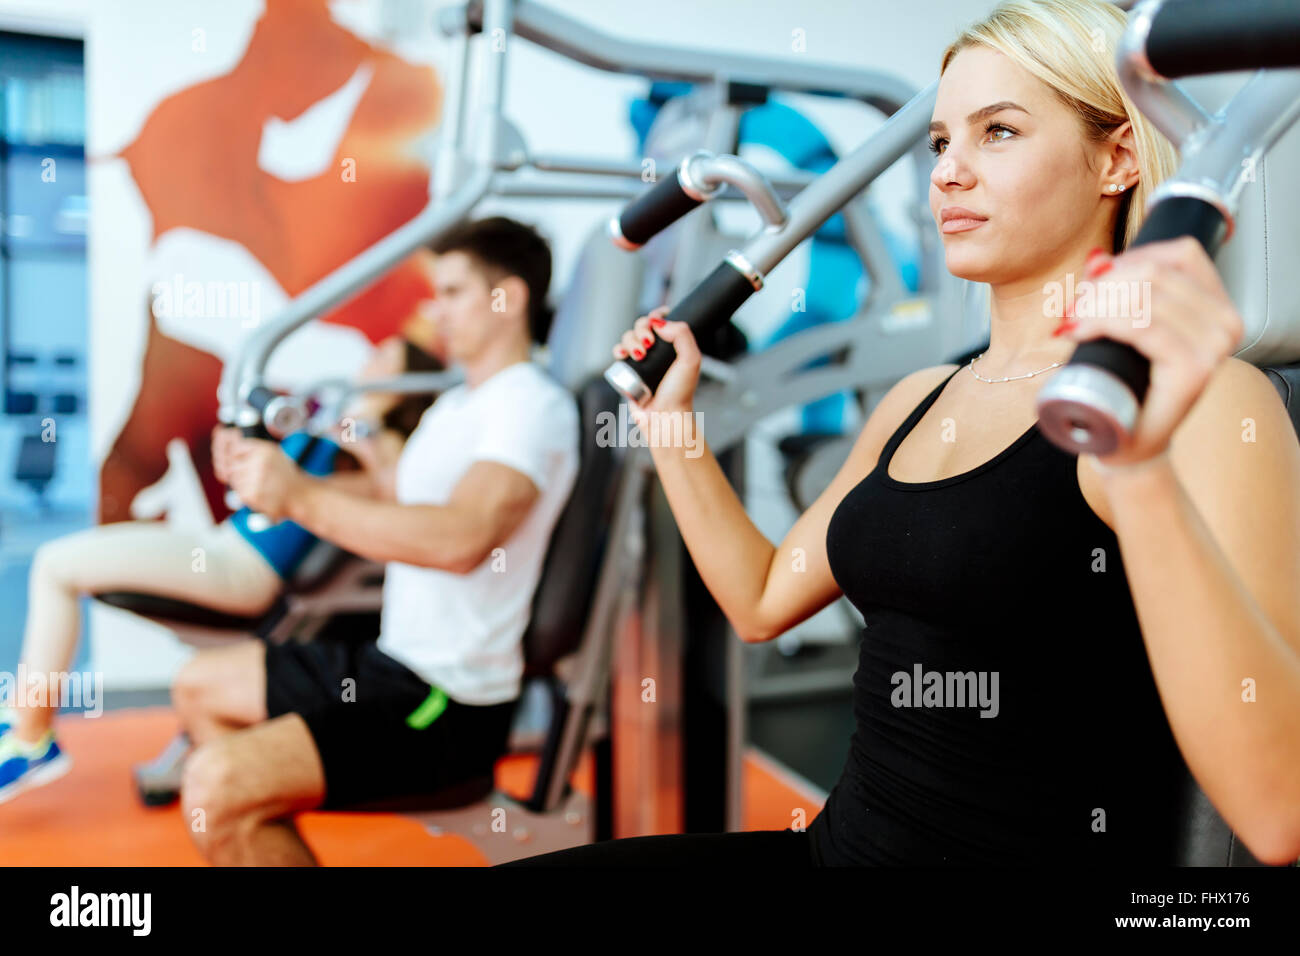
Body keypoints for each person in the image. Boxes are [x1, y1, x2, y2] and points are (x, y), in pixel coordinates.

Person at [508, 0, 1300, 866]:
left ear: (1115, 158)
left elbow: (1279, 812)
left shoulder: (1208, 402)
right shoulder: (921, 396)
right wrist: (673, 428)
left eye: (998, 132)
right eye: (939, 142)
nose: (948, 174)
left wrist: (1136, 461)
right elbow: (763, 599)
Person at [171, 216, 579, 865]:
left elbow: (463, 538)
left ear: (510, 298)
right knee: (199, 686)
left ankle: (247, 807)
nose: (433, 311)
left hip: (445, 699)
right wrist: (273, 473)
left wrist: (300, 497)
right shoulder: (460, 405)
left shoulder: (528, 404)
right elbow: (400, 496)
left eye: (451, 292)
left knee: (215, 784)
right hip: (393, 662)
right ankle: (258, 834)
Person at [0, 324, 446, 806]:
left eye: (387, 361)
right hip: (223, 543)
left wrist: (367, 426)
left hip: (244, 568)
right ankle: (24, 718)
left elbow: (397, 499)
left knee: (55, 565)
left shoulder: (387, 445)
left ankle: (30, 737)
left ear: (405, 387)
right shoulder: (328, 420)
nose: (371, 361)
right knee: (59, 565)